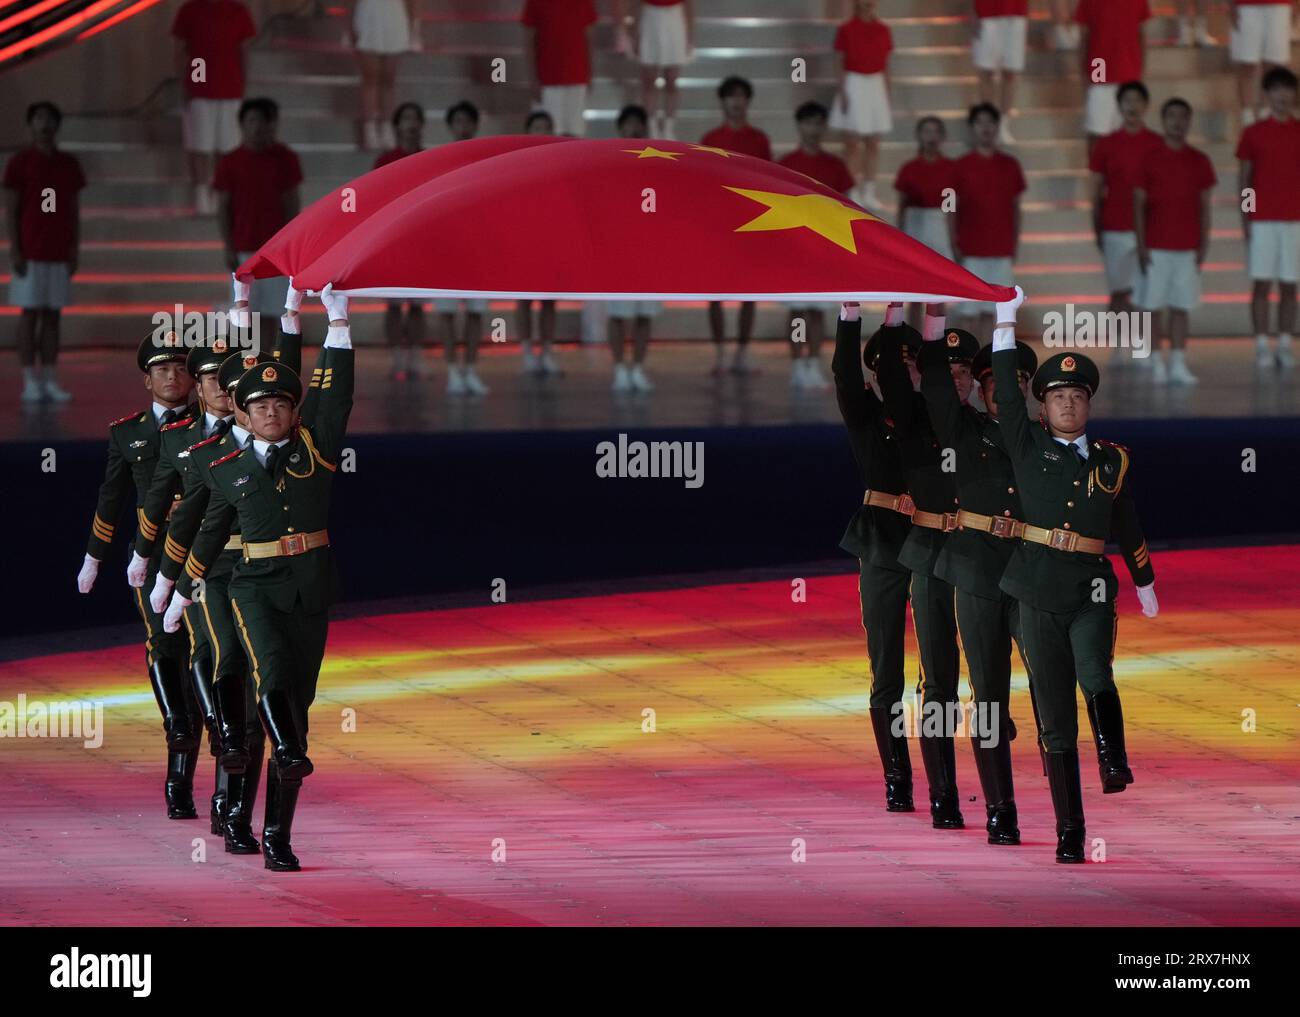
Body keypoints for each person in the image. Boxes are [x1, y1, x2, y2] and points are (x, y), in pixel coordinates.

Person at [163, 285, 355, 872]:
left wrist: (338, 321)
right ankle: (289, 753)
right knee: (265, 676)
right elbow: (208, 529)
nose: (272, 413)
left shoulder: (315, 451)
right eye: (260, 406)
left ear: (294, 412)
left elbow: (335, 395)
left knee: (296, 702)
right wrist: (173, 589)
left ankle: (274, 833)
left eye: (282, 405)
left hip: (311, 587)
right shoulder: (226, 466)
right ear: (241, 413)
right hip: (251, 588)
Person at [991, 286, 1159, 863]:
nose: (1067, 404)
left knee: (1096, 672)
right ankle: (1070, 829)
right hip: (1036, 588)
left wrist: (1145, 580)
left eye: (1076, 396)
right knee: (1054, 714)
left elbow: (1126, 518)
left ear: (1089, 404)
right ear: (1043, 406)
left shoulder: (1112, 459)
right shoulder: (1025, 441)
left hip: (1090, 587)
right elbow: (1006, 396)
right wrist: (1004, 319)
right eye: (1057, 396)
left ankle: (1113, 758)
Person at [917, 313, 1040, 845]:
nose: (1001, 393)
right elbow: (940, 388)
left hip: (1033, 572)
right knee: (986, 692)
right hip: (979, 569)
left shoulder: (1043, 439)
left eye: (1012, 384)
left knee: (1050, 682)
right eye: (990, 383)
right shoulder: (962, 429)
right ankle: (1000, 809)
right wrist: (935, 323)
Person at [77, 330, 199, 819]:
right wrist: (94, 557)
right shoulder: (128, 433)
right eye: (163, 369)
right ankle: (178, 750)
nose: (173, 376)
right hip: (151, 558)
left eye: (181, 368)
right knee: (164, 645)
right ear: (147, 379)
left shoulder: (211, 422)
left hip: (205, 554)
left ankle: (216, 763)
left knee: (210, 654)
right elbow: (112, 498)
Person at [875, 307, 966, 831]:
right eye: (943, 371)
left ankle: (1003, 792)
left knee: (991, 687)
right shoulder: (911, 421)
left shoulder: (986, 429)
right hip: (930, 555)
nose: (951, 382)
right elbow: (891, 375)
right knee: (938, 683)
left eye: (962, 373)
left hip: (987, 559)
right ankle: (942, 793)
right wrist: (899, 320)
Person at [831, 302, 915, 814]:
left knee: (943, 666)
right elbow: (844, 372)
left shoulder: (934, 415)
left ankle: (944, 775)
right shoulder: (866, 412)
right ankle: (897, 775)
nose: (905, 373)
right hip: (884, 543)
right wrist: (850, 314)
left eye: (911, 365)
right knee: (887, 665)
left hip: (934, 542)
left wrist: (910, 314)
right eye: (894, 366)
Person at [5, 101, 84, 404]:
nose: (44, 124)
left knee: (52, 316)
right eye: (38, 118)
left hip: (58, 251)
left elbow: (74, 212)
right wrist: (15, 249)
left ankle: (49, 379)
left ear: (56, 125)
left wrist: (73, 249)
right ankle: (29, 381)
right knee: (29, 315)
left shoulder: (68, 165)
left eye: (50, 119)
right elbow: (11, 211)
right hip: (29, 250)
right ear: (30, 124)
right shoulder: (19, 163)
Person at [1133, 98, 1216, 384]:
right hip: (1156, 246)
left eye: (1183, 117)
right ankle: (1156, 361)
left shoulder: (1199, 161)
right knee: (1153, 307)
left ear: (1189, 122)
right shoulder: (1149, 159)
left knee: (1182, 306)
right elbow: (1138, 206)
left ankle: (1178, 361)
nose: (1177, 122)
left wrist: (1203, 243)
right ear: (1163, 120)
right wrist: (1142, 246)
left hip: (1187, 247)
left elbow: (1205, 207)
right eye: (1171, 116)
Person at [778, 101, 853, 391]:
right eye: (807, 123)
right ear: (800, 126)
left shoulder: (835, 165)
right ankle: (797, 364)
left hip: (825, 245)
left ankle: (813, 362)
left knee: (819, 310)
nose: (813, 129)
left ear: (824, 127)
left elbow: (845, 206)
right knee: (798, 310)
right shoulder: (786, 163)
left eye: (818, 123)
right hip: (795, 245)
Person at [701, 76, 772, 376]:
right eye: (731, 96)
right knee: (714, 291)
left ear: (748, 101)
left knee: (749, 290)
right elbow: (701, 182)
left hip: (751, 222)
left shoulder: (759, 140)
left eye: (741, 96)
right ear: (723, 101)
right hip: (718, 221)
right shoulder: (710, 139)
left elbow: (768, 181)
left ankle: (742, 352)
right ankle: (719, 353)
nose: (736, 101)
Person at [213, 98, 303, 325]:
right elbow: (223, 207)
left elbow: (291, 203)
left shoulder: (285, 159)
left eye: (262, 121)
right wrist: (228, 246)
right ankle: (248, 360)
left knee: (275, 314)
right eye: (251, 120)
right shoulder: (230, 162)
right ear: (242, 124)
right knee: (244, 314)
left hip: (275, 252)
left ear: (271, 125)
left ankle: (270, 360)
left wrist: (291, 246)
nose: (257, 127)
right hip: (243, 249)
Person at [1088, 81, 1162, 349]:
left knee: (1145, 291)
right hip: (1115, 226)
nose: (1132, 106)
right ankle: (1120, 344)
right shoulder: (1106, 144)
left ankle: (1144, 347)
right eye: (1126, 101)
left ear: (1146, 106)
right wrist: (1097, 225)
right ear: (1119, 106)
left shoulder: (1157, 144)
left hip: (1151, 230)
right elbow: (1096, 189)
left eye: (1137, 101)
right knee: (1119, 291)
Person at [1237, 66, 1300, 369]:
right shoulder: (1253, 134)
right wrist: (1247, 217)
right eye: (1276, 90)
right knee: (1262, 284)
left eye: (1287, 90)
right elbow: (1246, 179)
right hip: (1262, 220)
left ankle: (1285, 343)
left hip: (1295, 220)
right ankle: (1262, 344)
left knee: (1290, 285)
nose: (1282, 96)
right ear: (1266, 95)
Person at [171, 0, 257, 215]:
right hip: (200, 88)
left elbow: (243, 51)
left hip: (230, 89)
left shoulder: (238, 11)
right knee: (200, 146)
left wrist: (242, 83)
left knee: (226, 149)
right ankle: (202, 198)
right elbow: (181, 50)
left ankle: (222, 197)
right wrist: (187, 82)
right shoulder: (190, 10)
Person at [428, 101, 490, 395]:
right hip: (448, 250)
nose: (463, 127)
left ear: (475, 125)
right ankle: (453, 370)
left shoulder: (487, 161)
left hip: (479, 249)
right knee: (449, 314)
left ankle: (472, 368)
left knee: (476, 313)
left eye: (468, 121)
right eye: (458, 122)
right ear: (451, 127)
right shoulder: (439, 162)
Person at [950, 103, 1025, 340]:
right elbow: (950, 208)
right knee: (968, 312)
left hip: (1000, 249)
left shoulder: (1010, 165)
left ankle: (985, 361)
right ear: (972, 128)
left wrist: (1014, 243)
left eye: (990, 123)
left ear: (997, 127)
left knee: (991, 311)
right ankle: (965, 362)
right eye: (980, 123)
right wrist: (954, 243)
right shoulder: (959, 166)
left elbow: (1016, 207)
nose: (986, 128)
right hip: (970, 249)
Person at [374, 101, 433, 381]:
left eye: (415, 118)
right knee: (395, 305)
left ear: (421, 125)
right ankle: (397, 357)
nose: (410, 124)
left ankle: (417, 356)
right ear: (397, 126)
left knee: (419, 304)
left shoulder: (431, 159)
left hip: (422, 241)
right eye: (405, 119)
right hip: (392, 241)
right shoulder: (385, 161)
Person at [608, 105, 658, 393]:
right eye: (628, 124)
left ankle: (638, 367)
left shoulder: (656, 166)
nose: (634, 129)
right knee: (619, 314)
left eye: (639, 124)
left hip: (648, 251)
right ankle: (618, 368)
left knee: (644, 314)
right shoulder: (610, 166)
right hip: (619, 251)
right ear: (621, 129)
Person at [895, 116, 957, 331]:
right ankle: (913, 338)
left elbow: (951, 207)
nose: (931, 137)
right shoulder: (909, 168)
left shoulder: (950, 168)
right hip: (915, 226)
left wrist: (953, 239)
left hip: (939, 225)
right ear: (919, 136)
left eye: (935, 132)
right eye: (926, 132)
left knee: (939, 289)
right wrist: (900, 237)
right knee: (914, 290)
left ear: (942, 137)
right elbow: (902, 205)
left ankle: (937, 336)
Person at [830, 0, 893, 210]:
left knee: (873, 141)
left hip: (875, 84)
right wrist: (842, 92)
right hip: (854, 82)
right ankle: (852, 190)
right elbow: (839, 62)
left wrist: (886, 92)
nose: (867, 5)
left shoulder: (884, 30)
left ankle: (869, 190)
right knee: (852, 143)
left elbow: (886, 64)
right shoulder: (846, 29)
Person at [516, 110, 562, 377]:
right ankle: (526, 352)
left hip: (550, 239)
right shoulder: (517, 164)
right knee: (523, 299)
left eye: (546, 127)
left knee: (548, 300)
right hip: (523, 239)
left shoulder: (559, 165)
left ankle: (547, 352)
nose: (542, 131)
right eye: (537, 126)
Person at [1075, 0, 1151, 149]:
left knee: (1128, 133)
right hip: (1099, 68)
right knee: (1096, 129)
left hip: (1128, 70)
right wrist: (1084, 75)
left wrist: (1140, 69)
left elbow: (1141, 34)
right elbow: (1085, 37)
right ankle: (1096, 170)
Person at [347, 0, 419, 150]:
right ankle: (370, 129)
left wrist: (414, 30)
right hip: (369, 15)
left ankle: (388, 128)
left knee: (389, 79)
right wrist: (350, 26)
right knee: (370, 78)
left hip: (394, 16)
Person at [616, 0, 693, 140]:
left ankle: (669, 128)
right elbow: (636, 4)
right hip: (649, 16)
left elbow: (689, 4)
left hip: (674, 16)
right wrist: (632, 31)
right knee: (649, 80)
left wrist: (689, 36)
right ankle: (652, 127)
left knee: (671, 80)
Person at [522, 0, 598, 137]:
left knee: (575, 132)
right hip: (547, 79)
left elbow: (590, 37)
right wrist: (532, 78)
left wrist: (589, 73)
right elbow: (528, 39)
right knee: (547, 135)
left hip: (577, 76)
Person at [972, 1, 1028, 144]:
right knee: (986, 71)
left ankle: (1003, 125)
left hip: (1016, 12)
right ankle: (987, 123)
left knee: (1010, 71)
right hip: (987, 12)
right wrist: (972, 11)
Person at [1230, 1, 1294, 124]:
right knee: (1247, 62)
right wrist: (1231, 5)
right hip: (1246, 5)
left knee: (1275, 63)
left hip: (1279, 5)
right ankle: (1247, 117)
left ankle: (1267, 111)